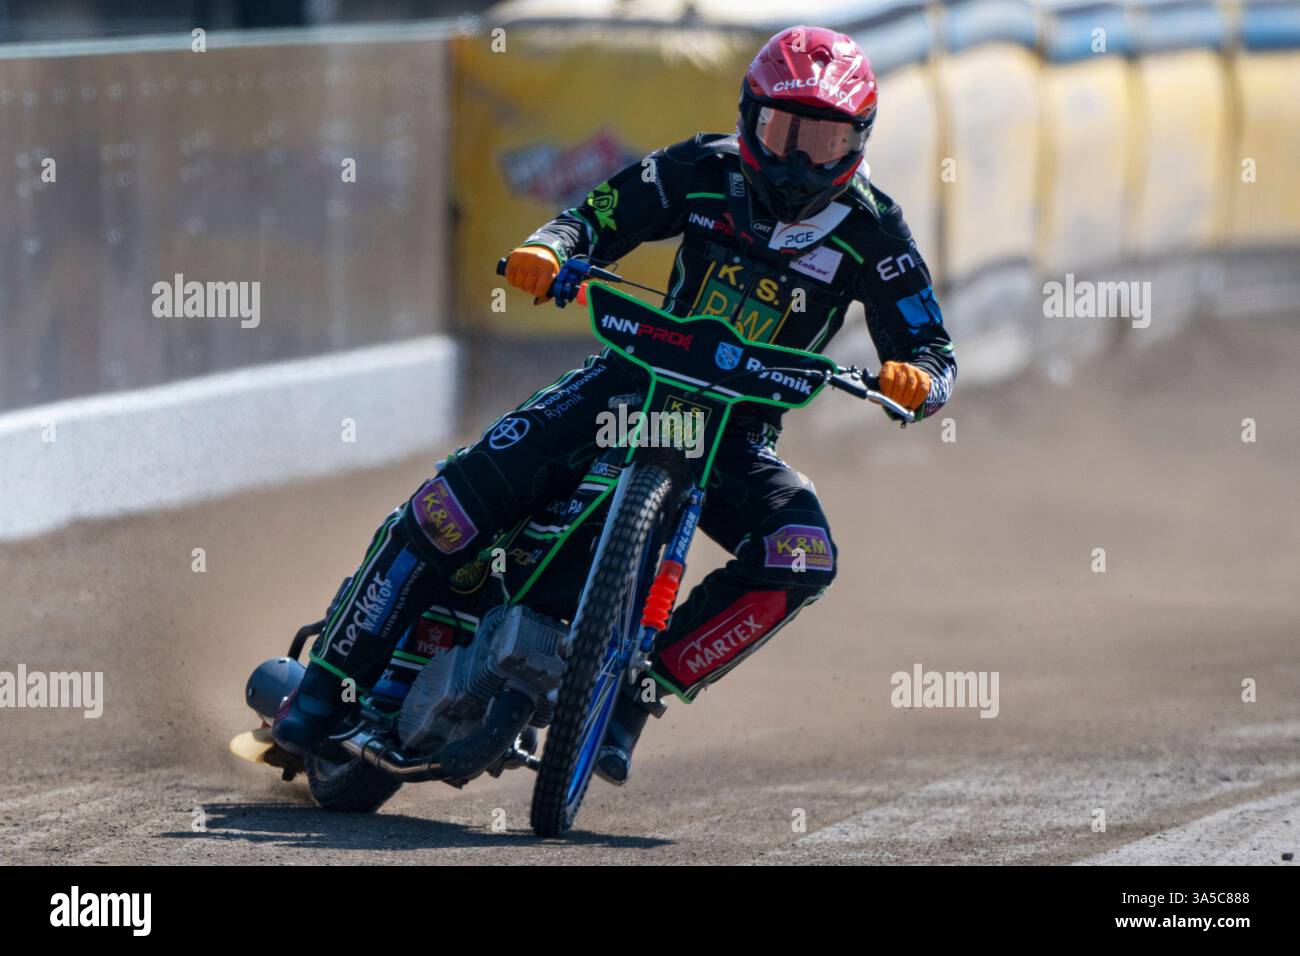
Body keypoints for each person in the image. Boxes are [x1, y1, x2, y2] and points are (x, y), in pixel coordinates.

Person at [274, 24, 956, 785]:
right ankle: (327, 687)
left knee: (804, 554)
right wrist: (552, 250)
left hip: (736, 437)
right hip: (626, 387)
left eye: (823, 140)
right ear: (748, 115)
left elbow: (933, 351)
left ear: (858, 140)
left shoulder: (875, 231)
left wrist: (918, 381)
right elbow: (593, 216)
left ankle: (634, 695)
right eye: (783, 128)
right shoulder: (701, 167)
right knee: (447, 504)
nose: (798, 157)